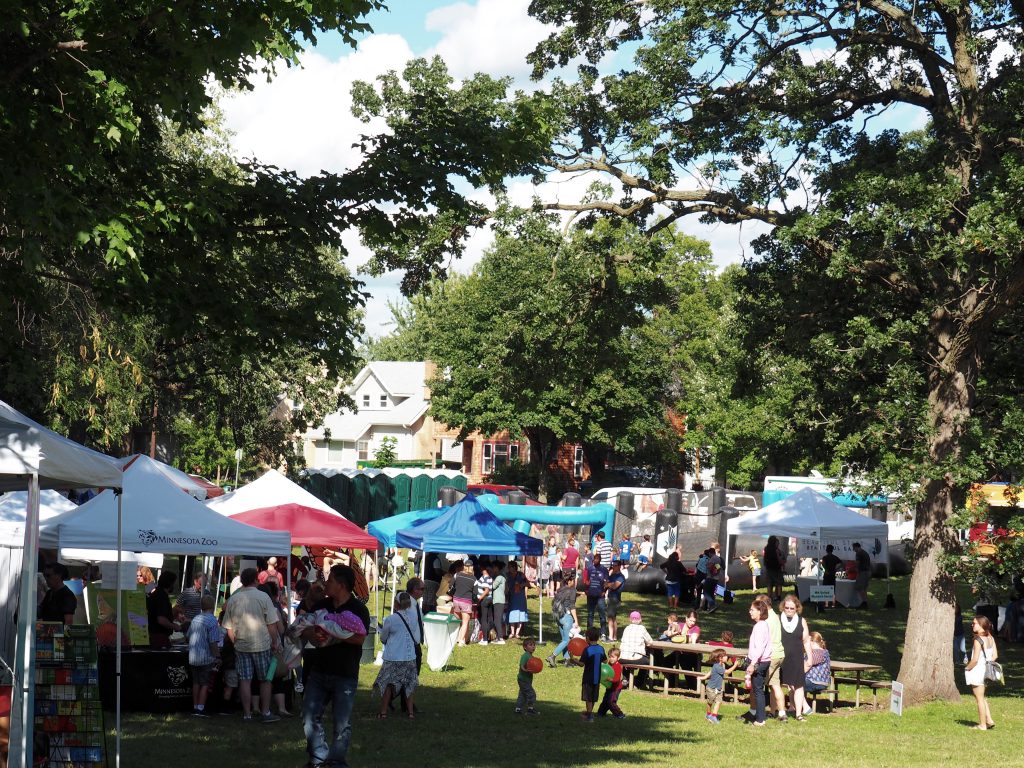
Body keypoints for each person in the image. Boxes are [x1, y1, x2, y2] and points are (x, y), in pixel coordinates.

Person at [300, 563, 370, 767]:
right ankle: (319, 757)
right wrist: (311, 633)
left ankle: (337, 761)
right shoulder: (322, 606)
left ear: (341, 584)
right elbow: (305, 627)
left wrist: (333, 635)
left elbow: (360, 639)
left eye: (329, 580)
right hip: (319, 670)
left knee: (342, 723)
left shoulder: (358, 609)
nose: (325, 584)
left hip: (345, 674)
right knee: (309, 716)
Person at [221, 567, 282, 723]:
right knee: (265, 680)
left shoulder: (233, 599)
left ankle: (247, 714)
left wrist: (235, 642)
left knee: (245, 680)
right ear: (256, 580)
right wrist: (274, 642)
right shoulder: (263, 597)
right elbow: (272, 624)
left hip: (242, 644)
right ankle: (265, 712)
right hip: (261, 643)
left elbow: (228, 627)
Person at [374, 591, 421, 719]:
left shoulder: (390, 619)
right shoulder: (413, 617)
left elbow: (383, 638)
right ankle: (410, 712)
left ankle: (383, 712)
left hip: (393, 657)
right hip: (409, 656)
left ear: (396, 604)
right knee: (409, 685)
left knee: (388, 685)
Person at [257, 581, 292, 717]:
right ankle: (281, 707)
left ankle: (257, 707)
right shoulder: (273, 609)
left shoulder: (252, 608)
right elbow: (282, 630)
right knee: (275, 677)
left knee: (258, 678)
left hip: (257, 645)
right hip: (274, 647)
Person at [779, 594, 813, 720]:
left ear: (797, 608)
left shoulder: (801, 621)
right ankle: (778, 711)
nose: (788, 610)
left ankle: (798, 713)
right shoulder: (778, 619)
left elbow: (806, 641)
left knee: (798, 685)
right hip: (781, 657)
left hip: (797, 657)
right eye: (786, 608)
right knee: (777, 685)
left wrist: (809, 657)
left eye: (791, 608)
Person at [187, 594, 221, 717]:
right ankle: (201, 708)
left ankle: (195, 706)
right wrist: (217, 656)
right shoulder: (212, 621)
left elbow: (188, 635)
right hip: (206, 657)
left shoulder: (195, 618)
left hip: (193, 656)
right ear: (212, 606)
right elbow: (213, 642)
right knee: (205, 683)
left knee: (196, 683)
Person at [741, 600, 772, 726]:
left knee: (758, 691)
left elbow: (759, 648)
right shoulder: (763, 625)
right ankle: (760, 717)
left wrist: (752, 663)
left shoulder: (760, 627)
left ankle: (760, 719)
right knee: (757, 690)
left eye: (752, 610)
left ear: (760, 611)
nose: (750, 612)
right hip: (763, 661)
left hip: (759, 662)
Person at [964, 615, 998, 730]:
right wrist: (987, 663)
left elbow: (975, 659)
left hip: (978, 670)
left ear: (982, 624)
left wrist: (967, 668)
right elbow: (995, 656)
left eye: (975, 623)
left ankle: (982, 725)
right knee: (982, 697)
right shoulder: (990, 638)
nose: (972, 625)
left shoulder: (978, 639)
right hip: (986, 671)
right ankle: (989, 720)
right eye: (972, 623)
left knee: (979, 699)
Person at [547, 573, 581, 667]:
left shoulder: (560, 589)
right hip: (567, 617)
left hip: (558, 617)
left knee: (564, 639)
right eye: (573, 580)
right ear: (569, 581)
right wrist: (576, 620)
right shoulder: (572, 590)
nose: (574, 582)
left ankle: (567, 661)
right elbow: (572, 606)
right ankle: (552, 656)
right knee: (567, 640)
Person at [619, 611, 653, 689]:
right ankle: (639, 682)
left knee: (626, 657)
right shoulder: (642, 628)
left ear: (630, 619)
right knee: (647, 662)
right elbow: (650, 642)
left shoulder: (626, 628)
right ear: (640, 619)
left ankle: (625, 679)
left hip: (622, 658)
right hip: (636, 658)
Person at [147, 571, 182, 648]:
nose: (174, 585)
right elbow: (161, 619)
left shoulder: (157, 593)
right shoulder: (161, 597)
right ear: (170, 584)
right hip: (158, 636)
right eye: (173, 583)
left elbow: (161, 613)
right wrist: (174, 626)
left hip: (155, 635)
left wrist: (174, 613)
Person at [580, 627, 606, 722]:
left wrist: (573, 660)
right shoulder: (601, 649)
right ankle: (589, 713)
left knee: (588, 697)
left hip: (588, 678)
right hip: (597, 678)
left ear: (587, 638)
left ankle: (590, 716)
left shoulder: (587, 650)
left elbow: (581, 664)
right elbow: (605, 661)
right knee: (593, 697)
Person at [451, 559, 476, 646]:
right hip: (466, 601)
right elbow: (475, 593)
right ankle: (461, 641)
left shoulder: (456, 575)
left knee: (457, 621)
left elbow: (451, 586)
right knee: (465, 622)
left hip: (456, 600)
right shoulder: (474, 579)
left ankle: (455, 638)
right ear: (472, 567)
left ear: (464, 566)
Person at [700, 648, 728, 723]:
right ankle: (708, 714)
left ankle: (713, 716)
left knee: (718, 702)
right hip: (711, 688)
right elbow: (728, 672)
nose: (727, 657)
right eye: (725, 655)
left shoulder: (721, 665)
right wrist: (735, 665)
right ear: (720, 658)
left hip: (718, 688)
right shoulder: (717, 666)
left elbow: (711, 671)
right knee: (710, 702)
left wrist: (704, 677)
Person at [584, 553, 609, 637]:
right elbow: (587, 580)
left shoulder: (604, 569)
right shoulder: (590, 568)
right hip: (591, 595)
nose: (596, 560)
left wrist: (604, 590)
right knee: (590, 614)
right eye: (595, 559)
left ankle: (603, 633)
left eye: (598, 559)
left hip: (600, 596)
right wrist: (586, 589)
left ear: (600, 560)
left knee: (602, 614)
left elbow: (606, 581)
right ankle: (589, 631)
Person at [804, 631, 831, 707]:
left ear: (811, 642)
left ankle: (802, 706)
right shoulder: (823, 652)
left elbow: (807, 664)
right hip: (820, 681)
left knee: (794, 683)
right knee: (794, 682)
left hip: (815, 681)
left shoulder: (817, 652)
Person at [597, 647, 626, 718]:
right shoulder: (609, 664)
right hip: (609, 687)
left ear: (618, 658)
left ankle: (619, 714)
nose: (611, 659)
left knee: (611, 702)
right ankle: (600, 713)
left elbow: (617, 679)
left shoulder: (618, 666)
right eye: (609, 657)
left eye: (613, 657)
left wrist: (610, 679)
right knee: (605, 701)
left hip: (616, 688)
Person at [515, 638, 540, 715]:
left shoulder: (531, 657)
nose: (533, 647)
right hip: (523, 680)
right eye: (530, 645)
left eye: (534, 645)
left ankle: (518, 709)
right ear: (525, 647)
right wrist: (526, 670)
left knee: (522, 694)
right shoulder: (525, 656)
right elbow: (522, 666)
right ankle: (530, 709)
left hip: (526, 680)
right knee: (531, 694)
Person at [506, 562, 529, 639]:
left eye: (509, 567)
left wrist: (522, 585)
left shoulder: (521, 575)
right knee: (512, 613)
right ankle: (512, 632)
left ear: (514, 567)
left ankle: (517, 632)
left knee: (520, 614)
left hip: (520, 597)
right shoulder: (507, 575)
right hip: (512, 596)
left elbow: (528, 583)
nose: (508, 568)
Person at [605, 560, 626, 641]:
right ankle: (614, 637)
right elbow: (606, 584)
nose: (613, 567)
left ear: (619, 566)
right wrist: (610, 584)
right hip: (610, 597)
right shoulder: (612, 576)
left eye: (615, 565)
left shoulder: (621, 576)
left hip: (615, 598)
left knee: (611, 617)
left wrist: (609, 584)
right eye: (613, 565)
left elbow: (615, 586)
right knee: (612, 617)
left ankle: (611, 637)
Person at [474, 560, 494, 644]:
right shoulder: (489, 577)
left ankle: (485, 639)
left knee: (484, 619)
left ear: (482, 568)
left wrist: (479, 599)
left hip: (485, 599)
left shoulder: (485, 577)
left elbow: (486, 590)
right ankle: (491, 636)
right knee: (490, 618)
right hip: (490, 599)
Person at [488, 563, 507, 645]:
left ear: (497, 568)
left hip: (499, 600)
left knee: (497, 620)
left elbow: (493, 586)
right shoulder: (501, 576)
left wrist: (489, 580)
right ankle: (499, 637)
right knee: (497, 619)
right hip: (498, 600)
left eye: (494, 568)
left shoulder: (499, 577)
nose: (493, 570)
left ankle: (501, 638)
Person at [763, 536, 785, 602]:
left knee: (769, 584)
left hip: (769, 569)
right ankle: (778, 597)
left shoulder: (766, 549)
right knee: (778, 584)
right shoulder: (776, 550)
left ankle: (769, 598)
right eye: (777, 542)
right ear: (774, 542)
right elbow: (779, 560)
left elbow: (764, 559)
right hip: (777, 569)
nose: (778, 544)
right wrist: (782, 563)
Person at [851, 542, 871, 608]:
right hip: (867, 572)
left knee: (859, 587)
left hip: (863, 572)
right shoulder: (865, 552)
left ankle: (864, 603)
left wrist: (851, 569)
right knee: (864, 588)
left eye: (853, 548)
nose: (853, 549)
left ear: (856, 547)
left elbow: (857, 563)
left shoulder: (859, 553)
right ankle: (865, 602)